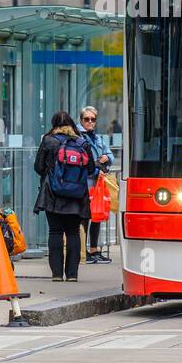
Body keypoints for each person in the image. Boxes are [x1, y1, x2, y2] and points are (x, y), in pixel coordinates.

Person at [34, 111, 96, 282]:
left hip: (53, 194)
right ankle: (72, 275)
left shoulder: (48, 141)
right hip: (77, 196)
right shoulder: (82, 143)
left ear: (54, 124)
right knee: (73, 233)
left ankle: (56, 274)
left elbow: (38, 167)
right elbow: (91, 169)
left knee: (55, 232)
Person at [78, 105, 113, 264]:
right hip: (86, 182)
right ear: (81, 120)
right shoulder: (79, 137)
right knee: (85, 216)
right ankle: (82, 250)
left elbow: (109, 153)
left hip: (97, 182)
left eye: (93, 119)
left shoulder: (97, 137)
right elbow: (83, 161)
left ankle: (93, 249)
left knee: (97, 215)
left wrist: (106, 158)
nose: (90, 122)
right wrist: (96, 165)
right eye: (87, 119)